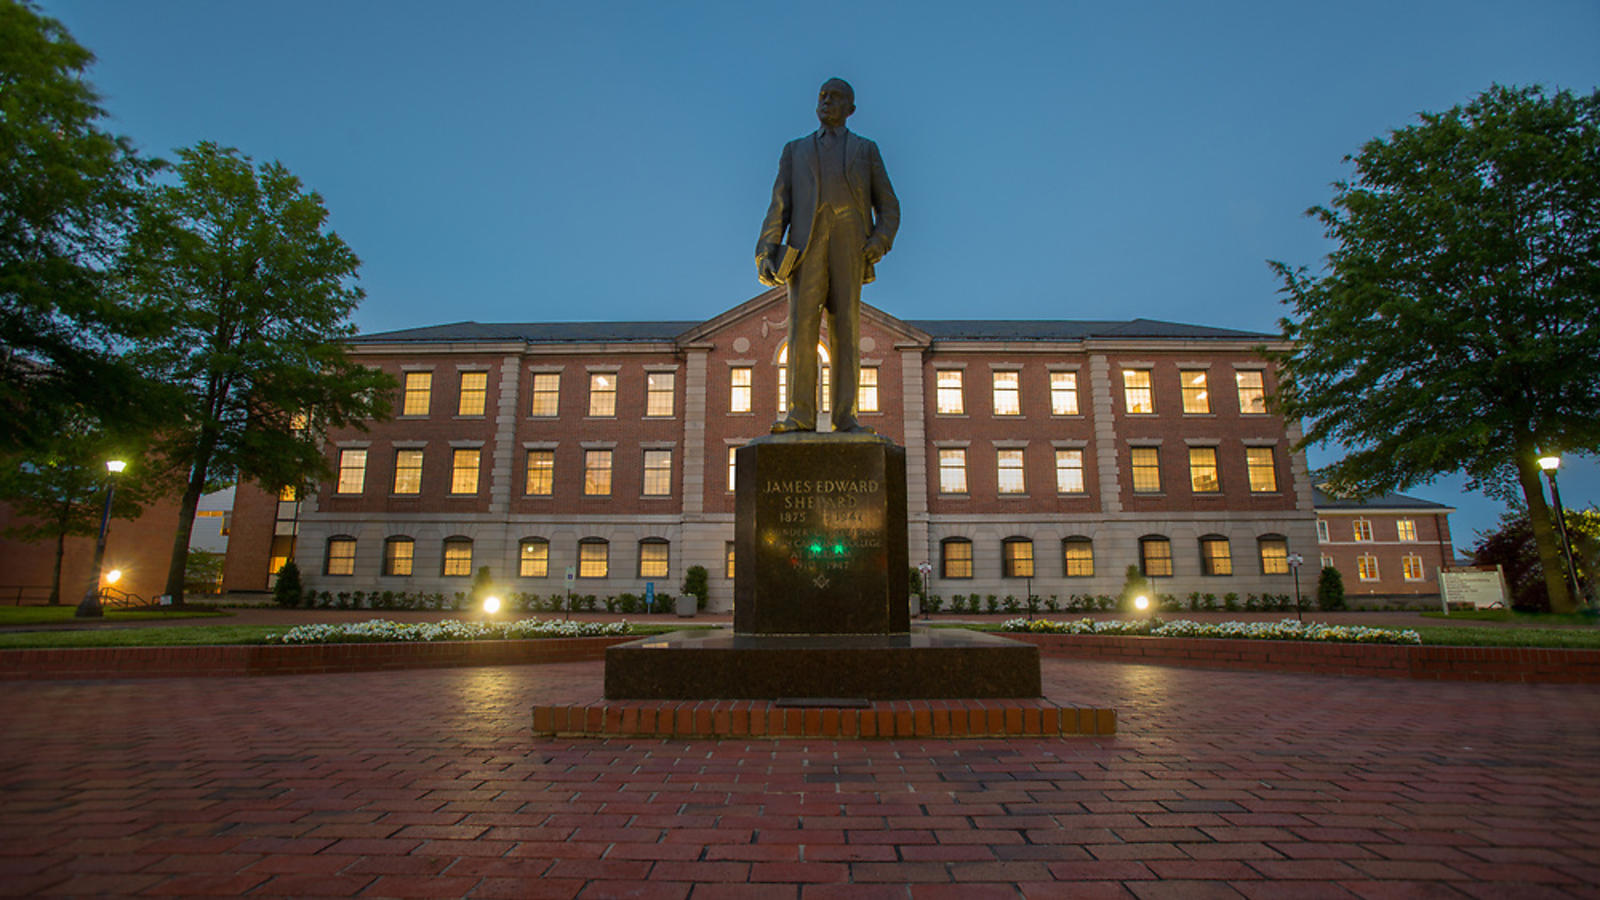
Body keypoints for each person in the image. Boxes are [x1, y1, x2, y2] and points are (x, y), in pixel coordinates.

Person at [756, 78, 899, 434]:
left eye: (835, 97)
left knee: (846, 330)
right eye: (822, 96)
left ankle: (845, 415)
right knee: (800, 330)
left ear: (850, 108)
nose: (826, 102)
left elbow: (889, 206)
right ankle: (800, 413)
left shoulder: (866, 150)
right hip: (805, 250)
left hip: (849, 248)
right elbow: (780, 205)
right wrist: (766, 249)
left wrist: (879, 241)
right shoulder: (795, 150)